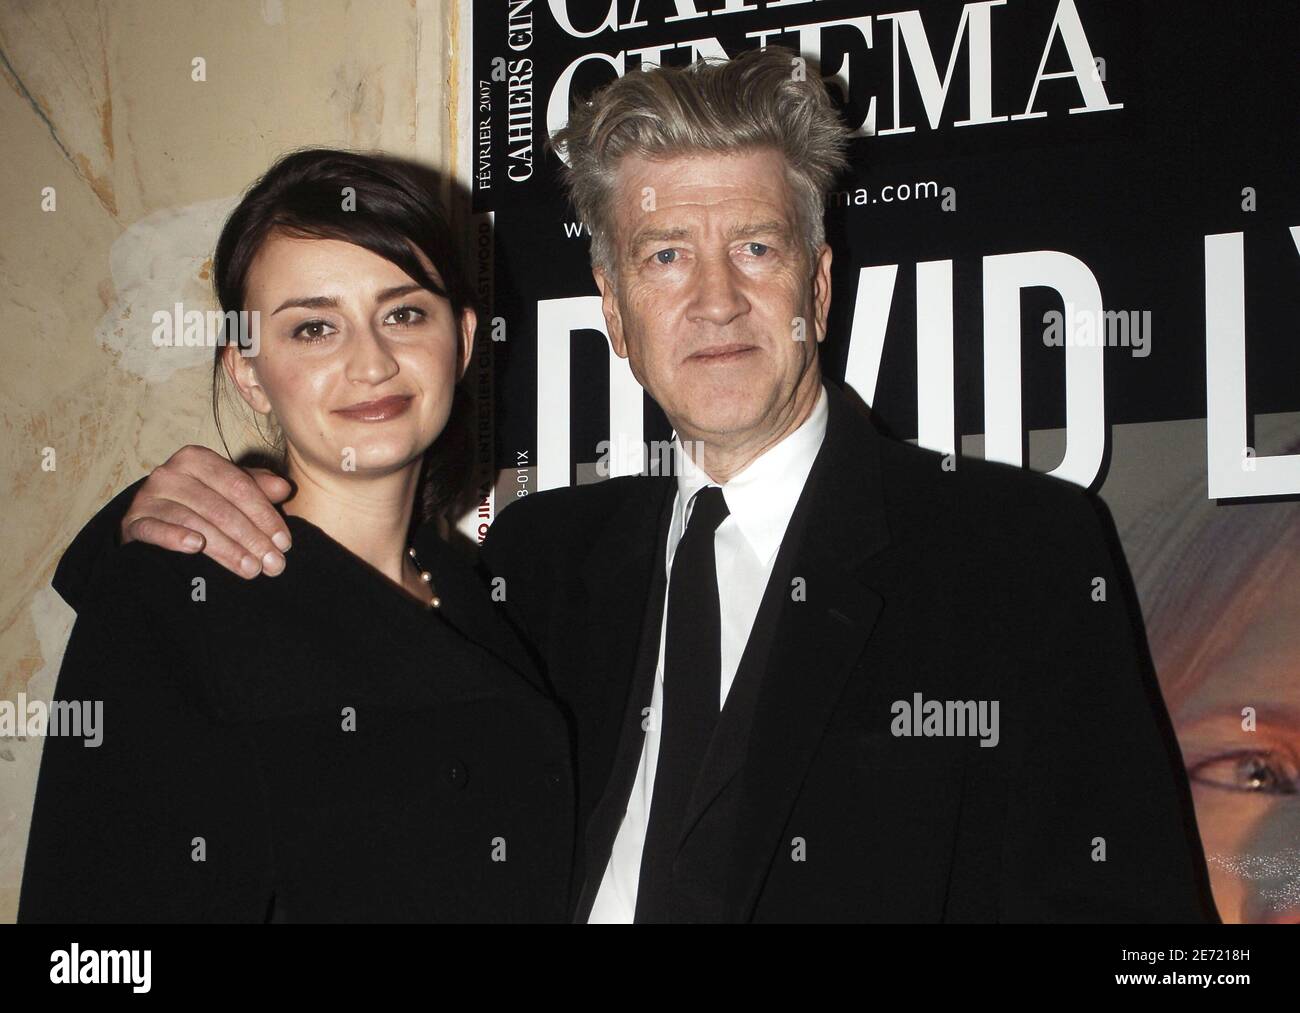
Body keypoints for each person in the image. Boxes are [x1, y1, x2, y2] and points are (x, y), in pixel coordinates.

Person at [49, 50, 1217, 922]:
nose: (713, 300)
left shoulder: (1017, 552)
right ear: (612, 309)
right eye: (665, 257)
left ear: (816, 288)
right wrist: (142, 529)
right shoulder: (539, 564)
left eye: (754, 249)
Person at [20, 149, 573, 923]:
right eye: (314, 328)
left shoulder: (490, 597)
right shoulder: (179, 595)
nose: (371, 362)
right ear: (249, 372)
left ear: (466, 338)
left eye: (405, 313)